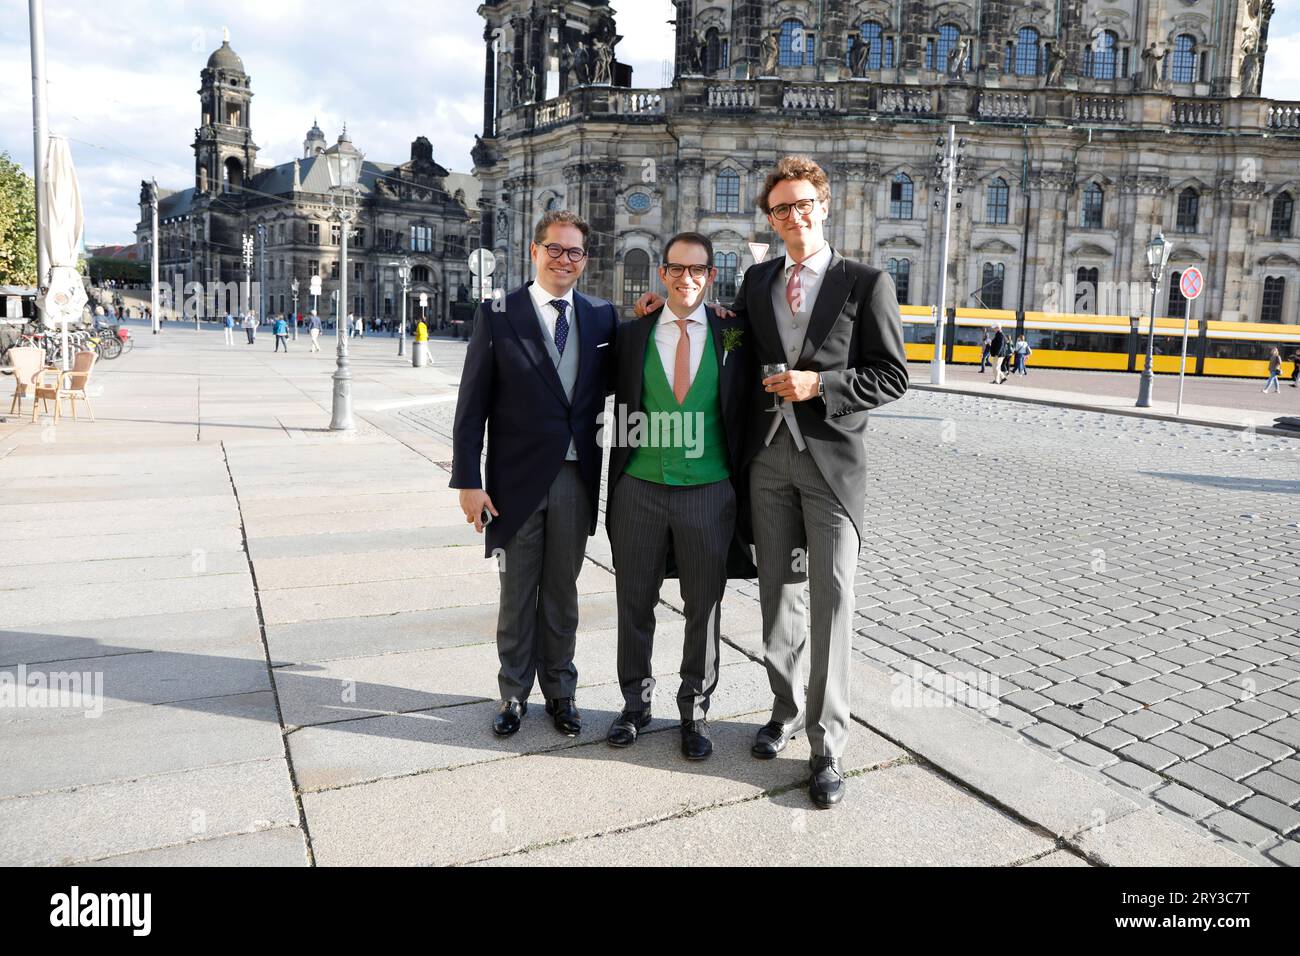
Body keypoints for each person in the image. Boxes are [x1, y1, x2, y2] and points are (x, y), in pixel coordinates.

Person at [638, 156, 909, 808]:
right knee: (776, 601)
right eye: (782, 208)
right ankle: (784, 711)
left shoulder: (865, 283)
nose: (795, 216)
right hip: (766, 463)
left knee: (833, 601)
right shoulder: (760, 280)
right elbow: (727, 328)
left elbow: (892, 376)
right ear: (771, 218)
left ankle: (828, 744)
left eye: (804, 203)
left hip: (831, 467)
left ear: (824, 204)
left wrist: (822, 385)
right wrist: (667, 307)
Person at [450, 210, 619, 739]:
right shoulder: (499, 313)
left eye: (574, 252)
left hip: (574, 477)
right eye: (555, 249)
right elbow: (471, 403)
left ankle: (561, 693)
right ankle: (513, 695)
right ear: (534, 251)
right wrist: (467, 481)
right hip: (514, 481)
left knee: (562, 593)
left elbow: (633, 362)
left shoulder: (600, 316)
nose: (564, 259)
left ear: (584, 260)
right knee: (517, 591)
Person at [604, 232, 755, 761]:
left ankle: (695, 710)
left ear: (711, 276)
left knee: (703, 607)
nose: (686, 278)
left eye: (697, 270)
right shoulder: (633, 335)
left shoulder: (735, 335)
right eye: (676, 269)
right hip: (638, 491)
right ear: (662, 275)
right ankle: (636, 705)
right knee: (634, 602)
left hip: (710, 493)